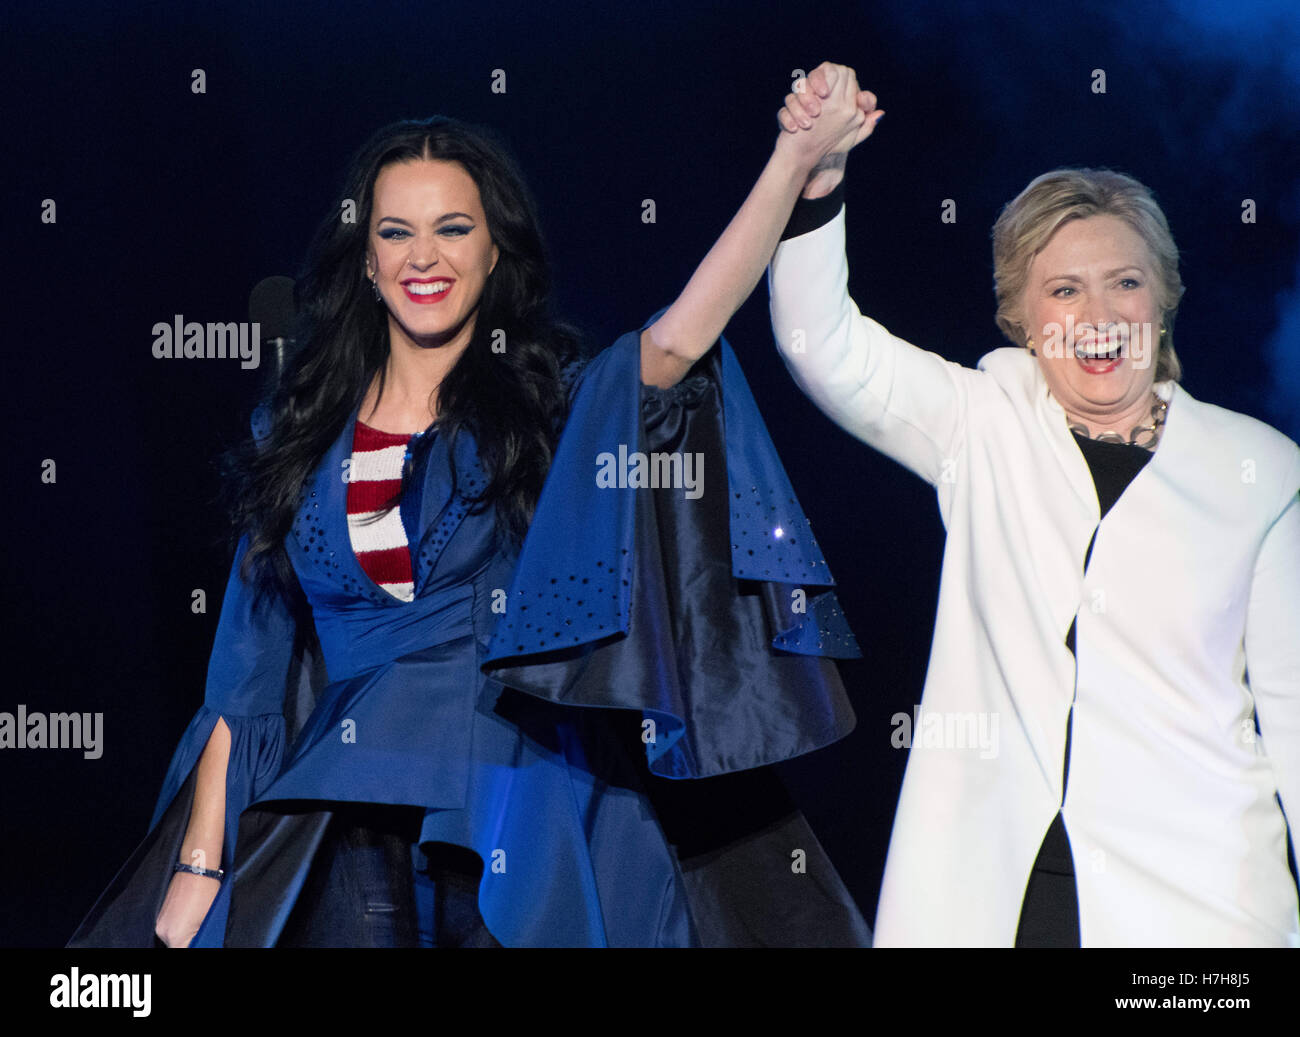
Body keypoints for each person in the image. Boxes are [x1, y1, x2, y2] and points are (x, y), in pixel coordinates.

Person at [68, 73, 881, 948]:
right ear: (368, 261)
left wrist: (794, 162)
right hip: (343, 819)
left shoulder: (553, 412)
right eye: (397, 232)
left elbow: (682, 335)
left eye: (454, 229)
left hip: (517, 813)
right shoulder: (297, 435)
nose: (425, 256)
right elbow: (245, 682)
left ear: (495, 253)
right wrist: (199, 864)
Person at [769, 62, 1300, 946]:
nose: (1100, 313)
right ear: (1020, 316)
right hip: (999, 901)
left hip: (1204, 915)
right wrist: (817, 180)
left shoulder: (1259, 469)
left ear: (1163, 299)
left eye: (1124, 283)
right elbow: (817, 343)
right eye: (1063, 289)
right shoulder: (985, 421)